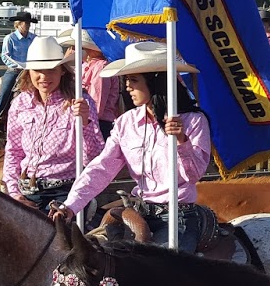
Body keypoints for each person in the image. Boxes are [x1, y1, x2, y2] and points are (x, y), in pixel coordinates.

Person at [51, 42, 214, 251]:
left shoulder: (193, 121)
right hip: (137, 211)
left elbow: (193, 175)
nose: (127, 86)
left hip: (177, 216)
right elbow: (102, 167)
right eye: (127, 79)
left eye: (134, 80)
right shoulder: (125, 122)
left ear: (155, 83)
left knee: (163, 271)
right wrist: (71, 206)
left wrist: (182, 141)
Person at [5, 36, 102, 213]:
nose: (44, 77)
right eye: (37, 70)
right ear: (29, 72)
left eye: (51, 70)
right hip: (26, 191)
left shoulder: (80, 102)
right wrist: (14, 193)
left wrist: (86, 123)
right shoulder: (20, 103)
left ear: (62, 71)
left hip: (66, 193)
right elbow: (13, 151)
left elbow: (94, 158)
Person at [58, 27, 122, 139]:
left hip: (98, 123)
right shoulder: (88, 65)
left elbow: (97, 103)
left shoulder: (100, 67)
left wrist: (87, 121)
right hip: (90, 120)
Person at [0, 11, 37, 132]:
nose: (27, 25)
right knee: (4, 92)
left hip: (30, 70)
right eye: (24, 23)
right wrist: (17, 64)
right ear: (18, 24)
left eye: (28, 23)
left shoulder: (34, 38)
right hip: (15, 70)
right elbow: (5, 56)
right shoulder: (10, 38)